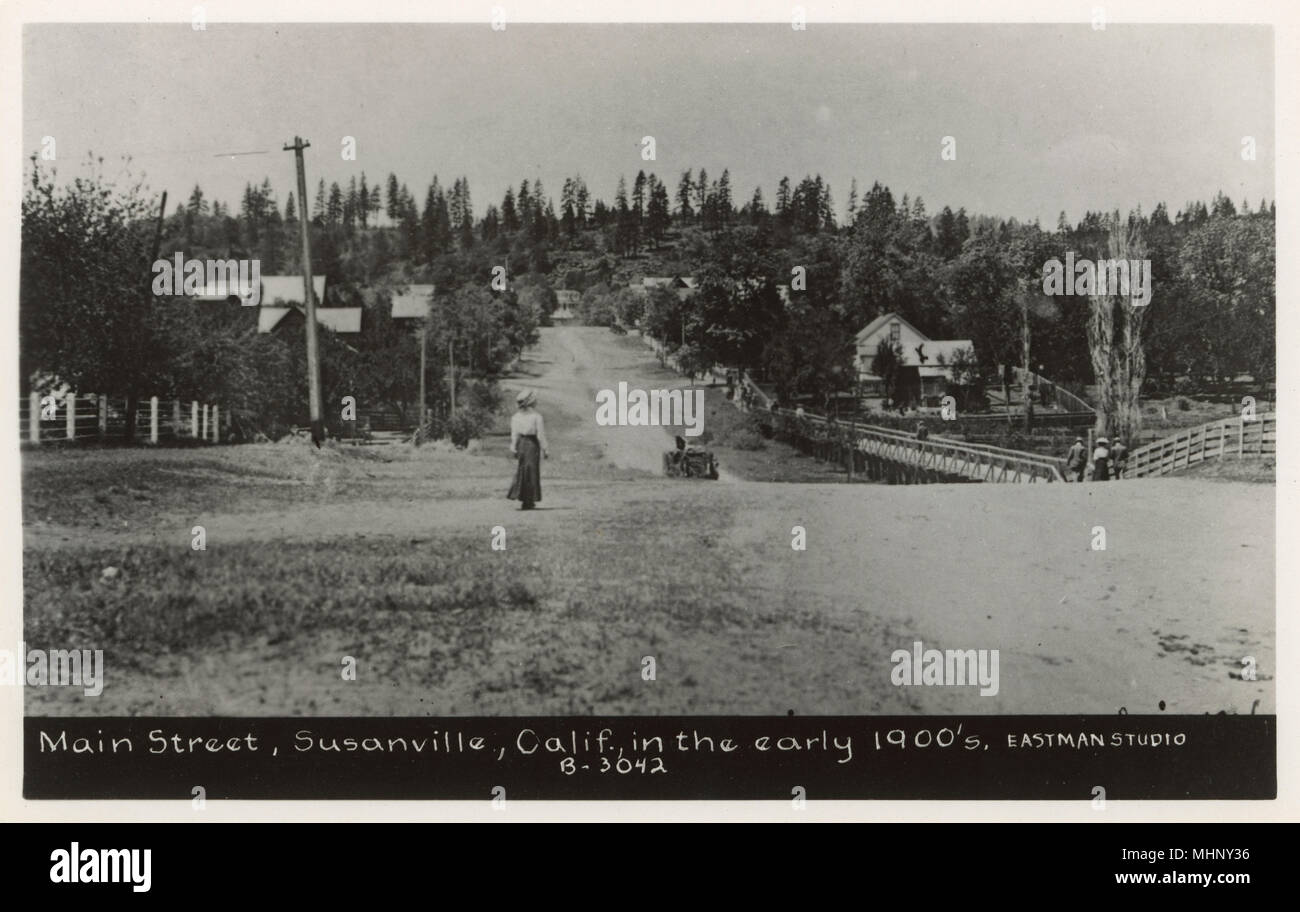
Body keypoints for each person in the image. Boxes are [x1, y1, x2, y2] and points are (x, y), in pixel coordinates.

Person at [508, 389, 548, 510]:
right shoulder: (537, 417)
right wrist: (545, 449)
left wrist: (514, 447)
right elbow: (540, 434)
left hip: (521, 444)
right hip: (531, 444)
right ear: (531, 402)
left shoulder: (516, 417)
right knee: (531, 471)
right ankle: (529, 500)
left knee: (523, 470)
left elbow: (514, 434)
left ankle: (524, 498)